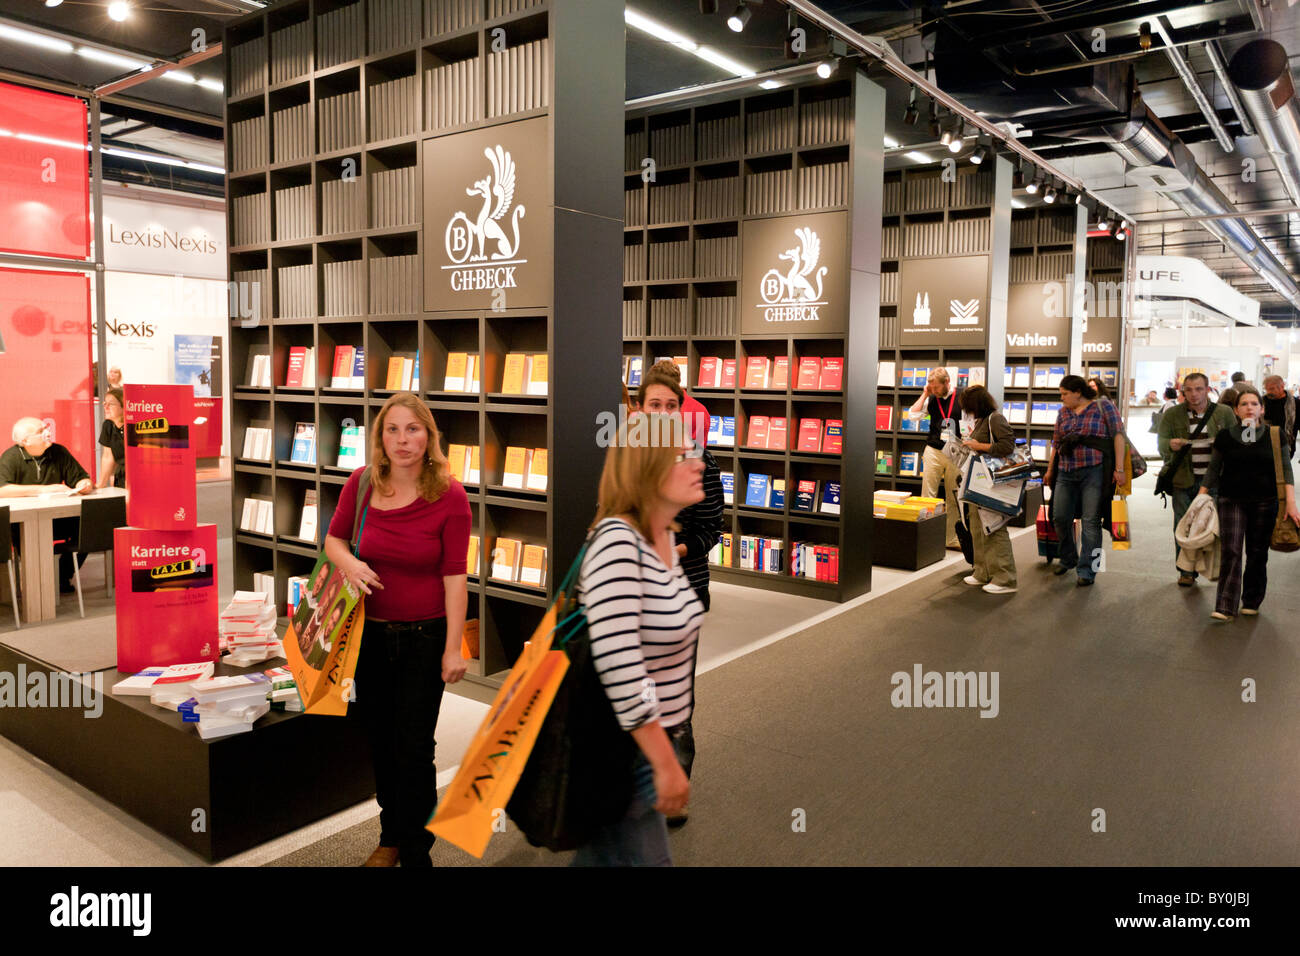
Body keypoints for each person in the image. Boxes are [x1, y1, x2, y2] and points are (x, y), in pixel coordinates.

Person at [323, 393, 471, 867]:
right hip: (367, 636)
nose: (402, 440)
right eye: (393, 430)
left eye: (413, 429)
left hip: (425, 638)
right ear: (380, 437)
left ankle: (416, 850)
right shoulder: (362, 482)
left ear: (429, 436)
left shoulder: (450, 495)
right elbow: (334, 539)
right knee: (381, 743)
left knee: (414, 749)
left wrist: (453, 649)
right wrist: (350, 564)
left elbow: (455, 577)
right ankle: (391, 837)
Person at [576, 413, 705, 865]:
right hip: (622, 753)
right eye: (683, 456)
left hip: (645, 747)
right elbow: (620, 664)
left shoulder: (660, 538)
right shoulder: (618, 543)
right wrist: (665, 762)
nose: (699, 463)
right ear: (649, 468)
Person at [635, 367, 722, 823]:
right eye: (655, 405)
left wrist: (672, 550)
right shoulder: (624, 461)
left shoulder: (702, 462)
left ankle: (672, 787)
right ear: (640, 410)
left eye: (672, 406)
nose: (664, 413)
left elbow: (710, 531)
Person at [1198, 385, 1300, 621]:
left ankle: (1252, 600)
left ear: (1262, 409)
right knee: (1231, 551)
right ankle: (1225, 605)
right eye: (1243, 404)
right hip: (1231, 500)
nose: (1249, 408)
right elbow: (1213, 469)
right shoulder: (1225, 436)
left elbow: (1286, 469)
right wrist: (1201, 497)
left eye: (1254, 404)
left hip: (1265, 501)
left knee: (1257, 553)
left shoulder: (1275, 435)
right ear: (1236, 410)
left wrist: (1291, 503)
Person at [1044, 376, 1125, 587]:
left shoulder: (1103, 406)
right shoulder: (1063, 412)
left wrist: (1119, 469)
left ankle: (1089, 570)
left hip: (1095, 471)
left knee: (1091, 521)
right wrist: (1050, 470)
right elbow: (1056, 443)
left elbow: (1118, 435)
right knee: (1059, 517)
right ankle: (1068, 557)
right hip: (1065, 472)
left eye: (1065, 394)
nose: (1062, 398)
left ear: (1078, 392)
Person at [1157, 372, 1236, 587]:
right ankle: (1186, 571)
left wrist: (1223, 444)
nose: (1194, 394)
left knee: (1214, 527)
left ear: (1207, 389)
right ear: (1183, 391)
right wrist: (1169, 444)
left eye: (1199, 389)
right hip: (1183, 480)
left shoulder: (1224, 412)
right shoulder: (1173, 414)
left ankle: (1215, 568)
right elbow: (1161, 443)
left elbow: (1236, 442)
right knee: (1183, 526)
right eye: (1189, 390)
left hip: (1215, 481)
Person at [0, 417, 93, 593]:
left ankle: (59, 577)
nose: (48, 432)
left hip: (58, 518)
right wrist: (44, 489)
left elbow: (81, 478)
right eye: (41, 431)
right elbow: (2, 489)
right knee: (25, 539)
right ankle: (36, 588)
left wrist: (84, 484)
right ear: (25, 441)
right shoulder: (10, 457)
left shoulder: (59, 452)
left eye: (47, 428)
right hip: (23, 524)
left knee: (87, 528)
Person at [958, 385, 1017, 594]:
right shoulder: (982, 420)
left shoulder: (995, 419)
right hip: (979, 482)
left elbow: (1008, 446)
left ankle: (1005, 578)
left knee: (994, 528)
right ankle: (982, 571)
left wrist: (979, 446)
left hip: (992, 482)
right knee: (977, 527)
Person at [907, 368, 961, 548]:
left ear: (947, 382)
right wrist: (925, 394)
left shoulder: (962, 397)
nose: (935, 391)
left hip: (955, 452)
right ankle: (927, 539)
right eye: (932, 388)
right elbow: (913, 415)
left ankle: (950, 538)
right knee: (927, 495)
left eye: (937, 387)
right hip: (934, 450)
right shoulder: (931, 398)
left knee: (953, 496)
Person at [97, 387, 126, 489]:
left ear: (123, 407)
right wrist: (101, 484)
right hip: (121, 479)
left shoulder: (134, 426)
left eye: (111, 404)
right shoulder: (108, 425)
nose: (106, 407)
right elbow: (108, 457)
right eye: (105, 403)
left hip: (138, 478)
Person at [1261, 374, 1297, 455]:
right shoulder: (1261, 402)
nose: (1269, 392)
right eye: (1266, 389)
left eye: (1272, 389)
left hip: (1286, 446)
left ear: (1282, 387)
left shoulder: (1295, 404)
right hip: (1264, 444)